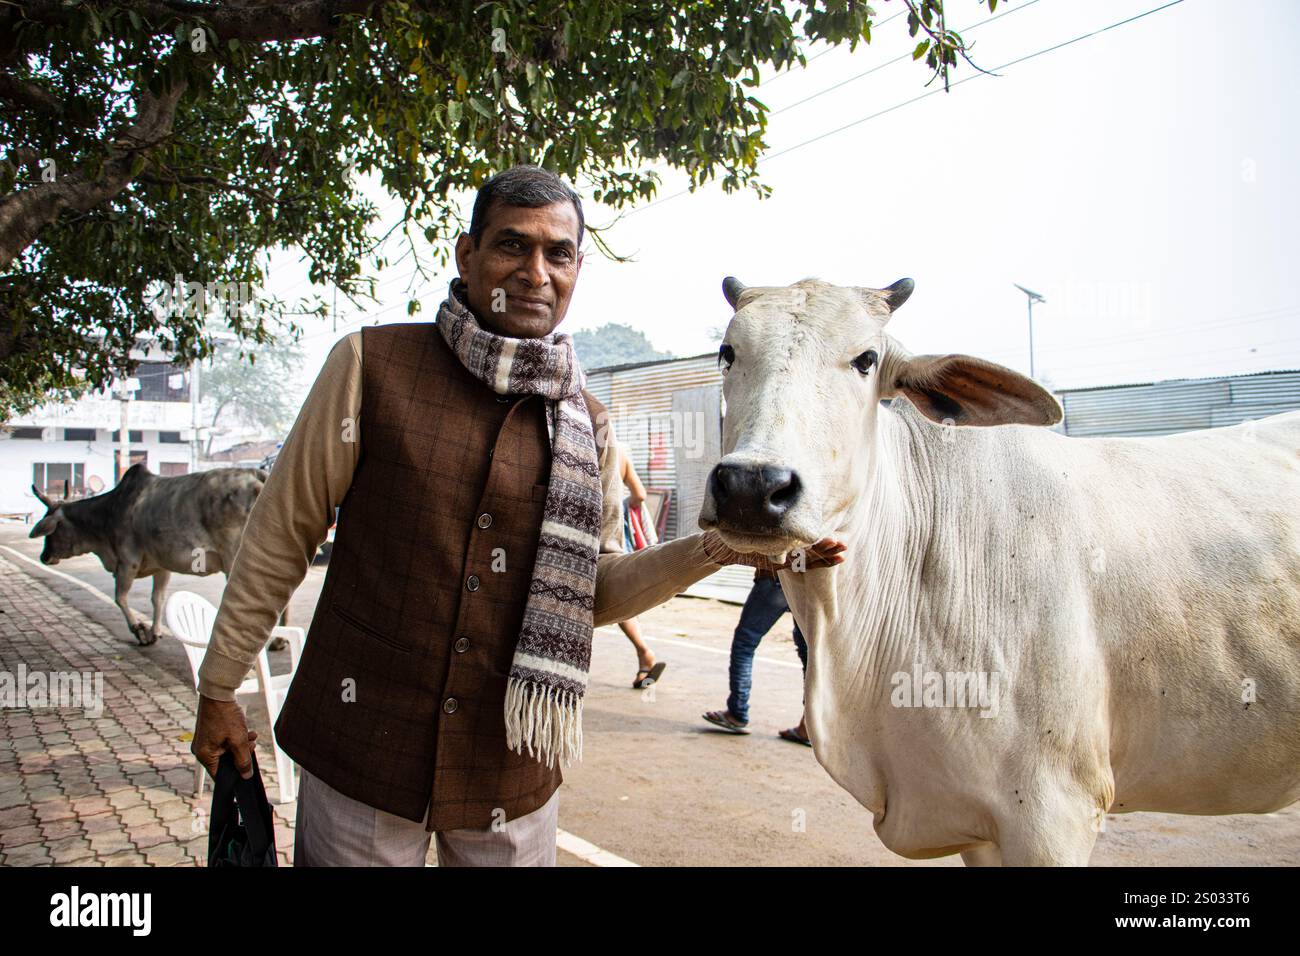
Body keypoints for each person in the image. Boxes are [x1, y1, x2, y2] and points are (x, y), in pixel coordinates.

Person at [190, 165, 845, 867]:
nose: (536, 272)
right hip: (361, 757)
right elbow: (279, 536)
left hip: (510, 768)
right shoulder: (369, 365)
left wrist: (714, 549)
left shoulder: (587, 423)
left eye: (557, 253)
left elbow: (593, 589)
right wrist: (220, 686)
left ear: (576, 270)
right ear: (468, 257)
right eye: (512, 246)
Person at [703, 568, 811, 745]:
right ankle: (809, 725)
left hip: (779, 576)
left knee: (745, 642)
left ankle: (737, 713)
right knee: (808, 654)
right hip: (810, 581)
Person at [611, 437, 664, 689]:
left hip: (594, 537)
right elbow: (639, 495)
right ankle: (645, 656)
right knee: (617, 599)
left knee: (610, 599)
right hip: (619, 539)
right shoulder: (620, 450)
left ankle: (645, 653)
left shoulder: (580, 442)